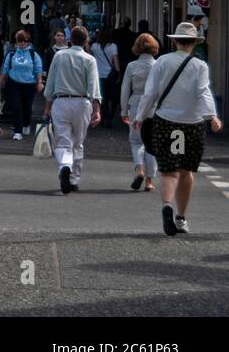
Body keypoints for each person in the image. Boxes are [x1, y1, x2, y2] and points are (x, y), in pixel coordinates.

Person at [132, 22, 223, 236]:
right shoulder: (199, 66)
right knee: (186, 172)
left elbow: (150, 93)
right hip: (192, 124)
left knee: (169, 170)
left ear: (174, 41)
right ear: (194, 42)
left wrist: (140, 116)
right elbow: (203, 93)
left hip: (168, 122)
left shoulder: (162, 62)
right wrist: (213, 116)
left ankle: (166, 206)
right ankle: (181, 218)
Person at [43, 25, 102, 194]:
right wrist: (96, 109)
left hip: (61, 101)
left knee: (62, 140)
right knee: (78, 142)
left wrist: (48, 107)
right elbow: (93, 86)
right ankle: (74, 178)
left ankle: (65, 166)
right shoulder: (89, 60)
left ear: (69, 40)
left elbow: (51, 83)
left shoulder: (59, 56)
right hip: (82, 102)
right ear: (86, 41)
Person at [119, 33, 159, 192]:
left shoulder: (131, 66)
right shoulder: (158, 65)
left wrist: (123, 110)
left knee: (136, 141)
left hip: (135, 103)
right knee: (151, 143)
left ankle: (139, 170)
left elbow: (124, 89)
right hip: (154, 106)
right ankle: (149, 181)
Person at [0, 28, 44, 140]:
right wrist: (0, 83)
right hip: (14, 83)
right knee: (16, 107)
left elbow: (38, 70)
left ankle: (26, 124)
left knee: (27, 107)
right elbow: (5, 69)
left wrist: (39, 82)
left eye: (25, 41)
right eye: (20, 41)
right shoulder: (11, 54)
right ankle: (17, 131)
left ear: (28, 41)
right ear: (17, 42)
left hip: (29, 85)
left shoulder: (34, 55)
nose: (22, 43)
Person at [90, 27, 120, 127]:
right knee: (112, 97)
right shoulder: (113, 46)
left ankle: (103, 117)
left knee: (102, 98)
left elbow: (90, 55)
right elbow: (115, 62)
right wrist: (119, 72)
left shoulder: (94, 46)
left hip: (98, 75)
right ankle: (109, 117)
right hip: (110, 75)